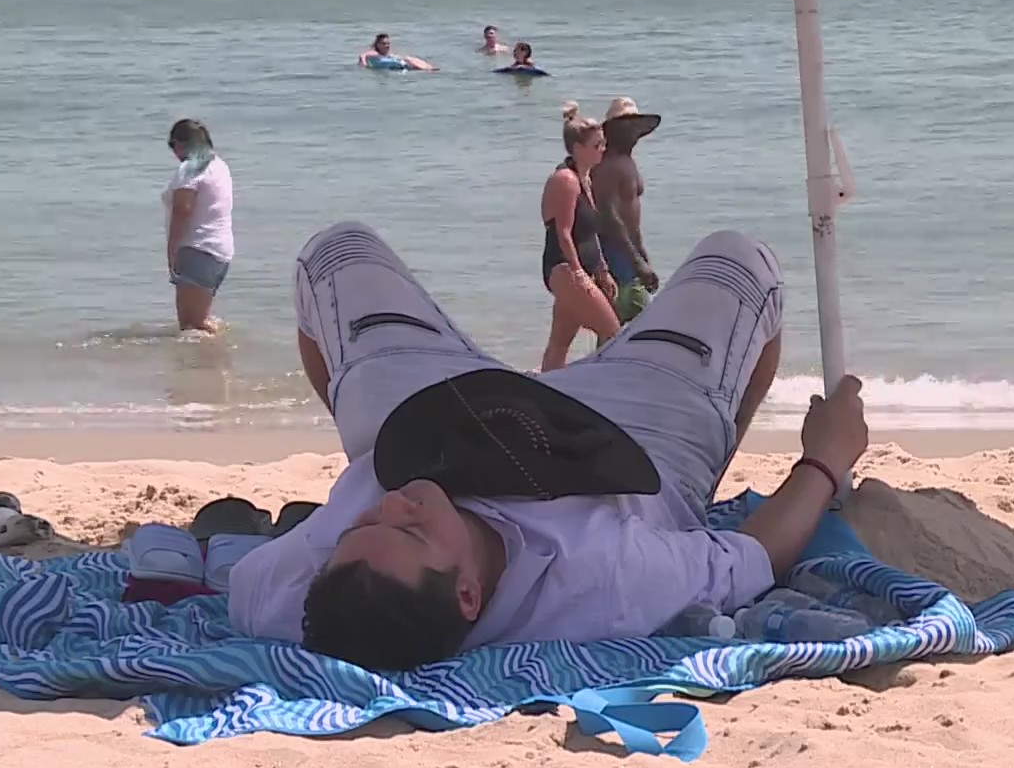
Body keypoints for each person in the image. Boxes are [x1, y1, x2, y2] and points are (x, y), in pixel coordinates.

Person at [226, 217, 870, 671]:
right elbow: (754, 556)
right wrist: (825, 457)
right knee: (743, 261)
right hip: (628, 444)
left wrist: (364, 522)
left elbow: (249, 582)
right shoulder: (607, 577)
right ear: (469, 595)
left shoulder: (301, 592)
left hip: (422, 417)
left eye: (364, 523)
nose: (396, 507)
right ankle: (695, 465)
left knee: (334, 253)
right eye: (413, 534)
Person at [539, 104, 622, 371]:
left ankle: (548, 388)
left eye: (603, 144)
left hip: (580, 268)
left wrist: (602, 270)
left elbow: (589, 233)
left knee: (560, 340)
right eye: (597, 145)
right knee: (611, 331)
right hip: (564, 268)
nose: (603, 149)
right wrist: (579, 274)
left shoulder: (585, 179)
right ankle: (599, 387)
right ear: (578, 147)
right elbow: (563, 233)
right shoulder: (566, 180)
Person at [592, 98, 665, 324]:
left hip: (628, 249)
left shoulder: (626, 161)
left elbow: (631, 217)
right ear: (612, 130)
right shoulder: (609, 164)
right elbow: (609, 216)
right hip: (614, 250)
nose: (632, 131)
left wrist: (642, 254)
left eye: (635, 125)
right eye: (626, 126)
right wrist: (636, 261)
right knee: (637, 321)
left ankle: (603, 359)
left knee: (618, 324)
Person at [163, 119, 234, 334]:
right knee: (197, 323)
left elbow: (183, 209)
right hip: (218, 252)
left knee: (192, 326)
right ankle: (210, 362)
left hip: (197, 250)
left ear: (181, 144)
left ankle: (214, 360)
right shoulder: (219, 165)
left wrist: (172, 250)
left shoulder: (191, 168)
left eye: (172, 145)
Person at [359, 33, 435, 72]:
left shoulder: (386, 54)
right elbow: (363, 55)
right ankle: (429, 69)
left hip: (398, 66)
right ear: (377, 44)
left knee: (410, 58)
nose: (387, 45)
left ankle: (429, 68)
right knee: (408, 59)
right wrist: (364, 64)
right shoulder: (375, 53)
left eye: (388, 43)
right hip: (397, 67)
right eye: (384, 43)